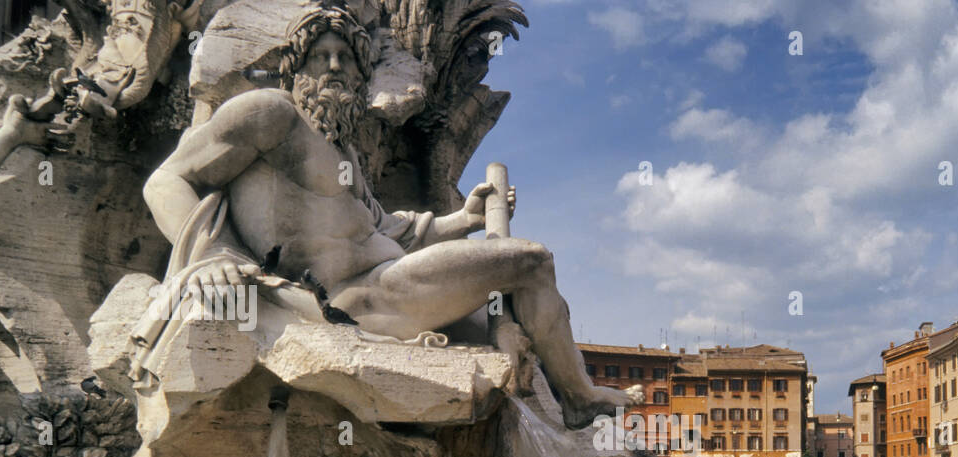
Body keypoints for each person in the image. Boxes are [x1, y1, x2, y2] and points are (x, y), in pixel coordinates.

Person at [137, 4, 639, 431]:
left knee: (503, 319)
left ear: (361, 77)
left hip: (393, 284)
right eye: (321, 56)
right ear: (296, 70)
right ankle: (578, 397)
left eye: (347, 60)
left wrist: (463, 219)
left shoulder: (344, 153)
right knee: (531, 261)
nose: (335, 67)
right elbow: (166, 180)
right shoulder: (270, 115)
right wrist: (210, 254)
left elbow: (387, 230)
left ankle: (558, 385)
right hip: (357, 300)